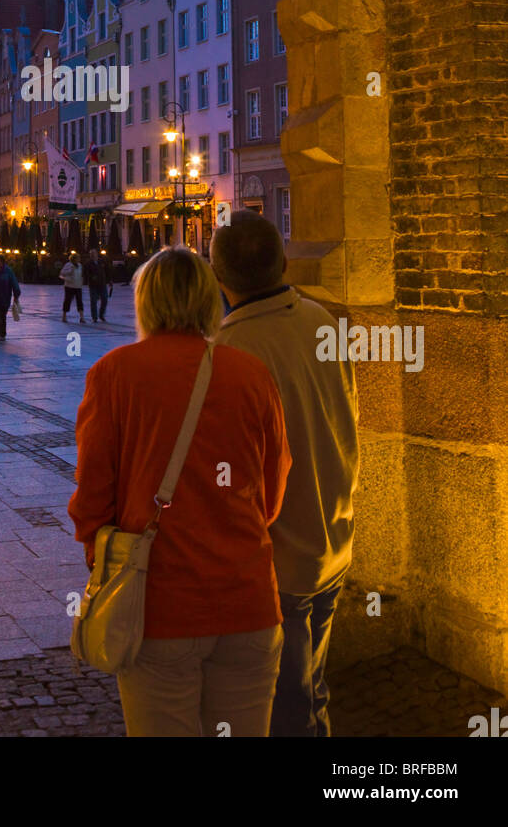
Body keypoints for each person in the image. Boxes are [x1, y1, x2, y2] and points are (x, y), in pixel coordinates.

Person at [69, 246, 290, 738]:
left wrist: (103, 555)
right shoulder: (251, 373)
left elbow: (92, 498)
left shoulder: (114, 373)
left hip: (158, 607)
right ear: (211, 301)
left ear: (145, 302)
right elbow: (272, 492)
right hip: (247, 603)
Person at [210, 211, 359, 738]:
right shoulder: (321, 320)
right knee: (312, 688)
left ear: (219, 277)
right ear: (283, 262)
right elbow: (349, 417)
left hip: (278, 561)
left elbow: (230, 477)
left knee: (286, 705)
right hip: (333, 535)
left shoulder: (228, 352)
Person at [83, 248, 109, 323]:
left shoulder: (102, 261)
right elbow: (85, 273)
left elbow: (107, 270)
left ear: (97, 254)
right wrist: (90, 277)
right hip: (93, 285)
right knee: (93, 301)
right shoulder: (87, 263)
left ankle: (101, 314)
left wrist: (109, 280)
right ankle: (94, 317)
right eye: (91, 254)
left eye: (94, 254)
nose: (92, 255)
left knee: (105, 299)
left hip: (102, 284)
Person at [60, 251, 85, 323]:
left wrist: (82, 281)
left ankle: (82, 317)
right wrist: (69, 272)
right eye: (77, 258)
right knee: (67, 301)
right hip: (69, 286)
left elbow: (81, 274)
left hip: (78, 286)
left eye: (79, 258)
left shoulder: (80, 265)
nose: (78, 259)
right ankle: (64, 316)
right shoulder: (68, 265)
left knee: (79, 301)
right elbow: (62, 273)